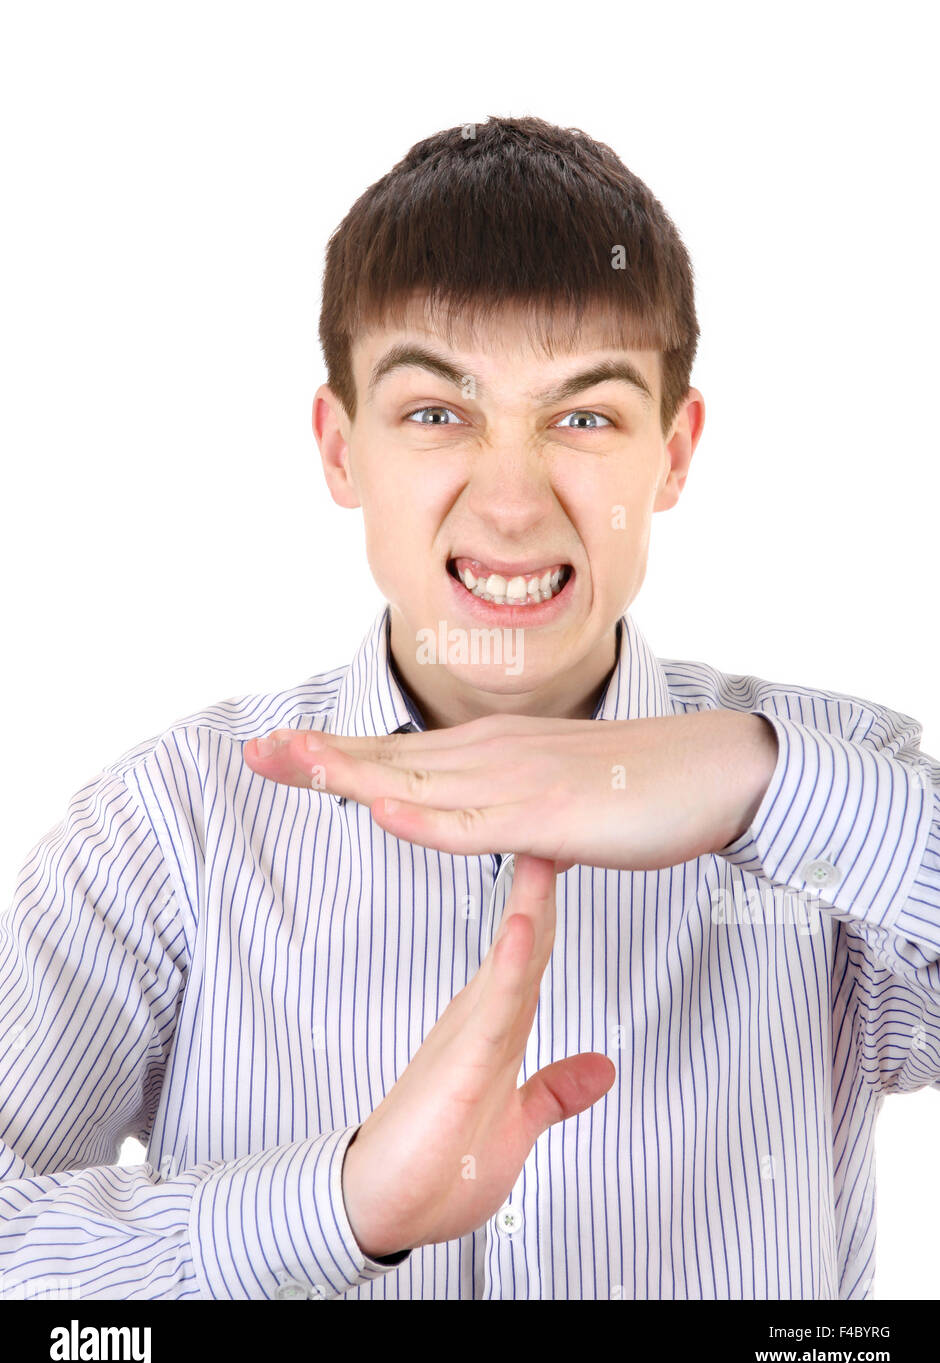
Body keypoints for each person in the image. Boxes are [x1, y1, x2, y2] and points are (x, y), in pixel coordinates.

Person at [1, 115, 937, 1301]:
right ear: (341, 450)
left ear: (675, 452)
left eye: (584, 416)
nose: (507, 502)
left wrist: (761, 781)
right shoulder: (167, 829)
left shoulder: (849, 781)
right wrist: (336, 1207)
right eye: (437, 414)